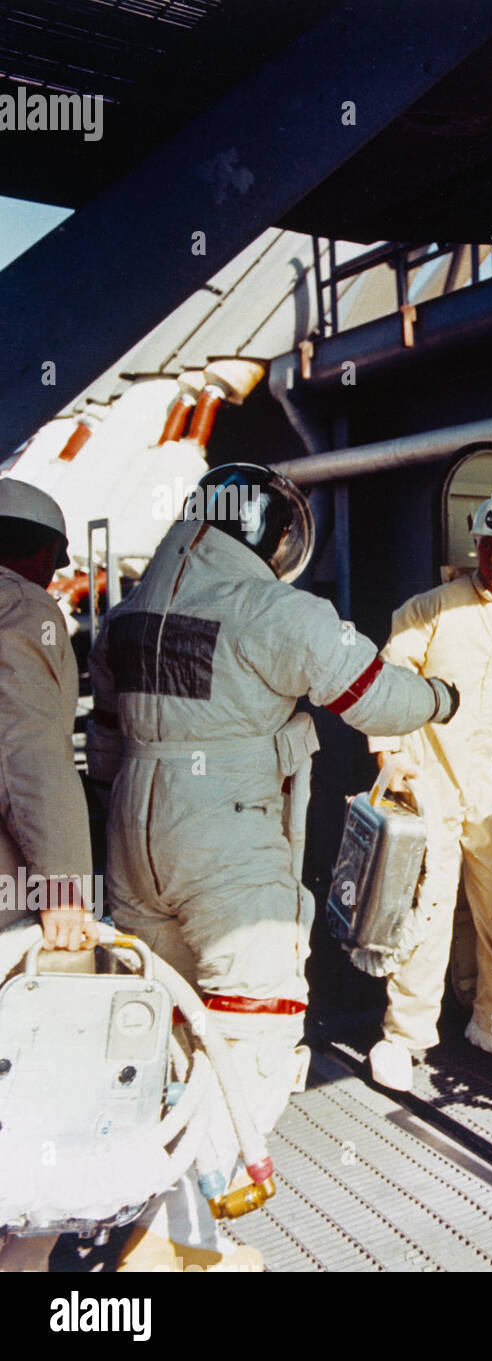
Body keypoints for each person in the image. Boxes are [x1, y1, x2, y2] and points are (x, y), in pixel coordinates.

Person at [87, 463, 457, 1271]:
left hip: (132, 824)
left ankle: (152, 1213)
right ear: (266, 534)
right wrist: (440, 698)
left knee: (169, 1029)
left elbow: (107, 742)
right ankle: (183, 1237)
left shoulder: (132, 611)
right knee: (256, 1024)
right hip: (224, 824)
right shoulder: (268, 608)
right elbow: (375, 699)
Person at [364, 490, 492, 1093]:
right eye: (487, 544)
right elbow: (386, 684)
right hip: (432, 778)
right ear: (475, 544)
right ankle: (404, 1037)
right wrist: (388, 755)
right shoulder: (430, 610)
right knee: (424, 913)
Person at [0, 478, 98, 1273]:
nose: (60, 575)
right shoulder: (20, 612)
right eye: (58, 558)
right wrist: (63, 888)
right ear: (29, 548)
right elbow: (32, 752)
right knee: (49, 1075)